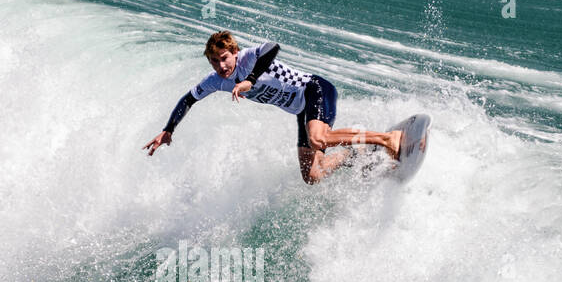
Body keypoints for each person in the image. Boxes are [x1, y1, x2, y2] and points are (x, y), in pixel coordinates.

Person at [144, 30, 402, 184]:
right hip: (302, 110)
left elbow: (273, 47)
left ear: (234, 51)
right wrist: (169, 130)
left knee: (318, 138)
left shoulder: (248, 57)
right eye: (214, 62)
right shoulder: (216, 82)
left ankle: (388, 139)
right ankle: (354, 154)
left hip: (314, 89)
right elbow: (188, 98)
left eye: (224, 58)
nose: (221, 66)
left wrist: (249, 80)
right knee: (312, 174)